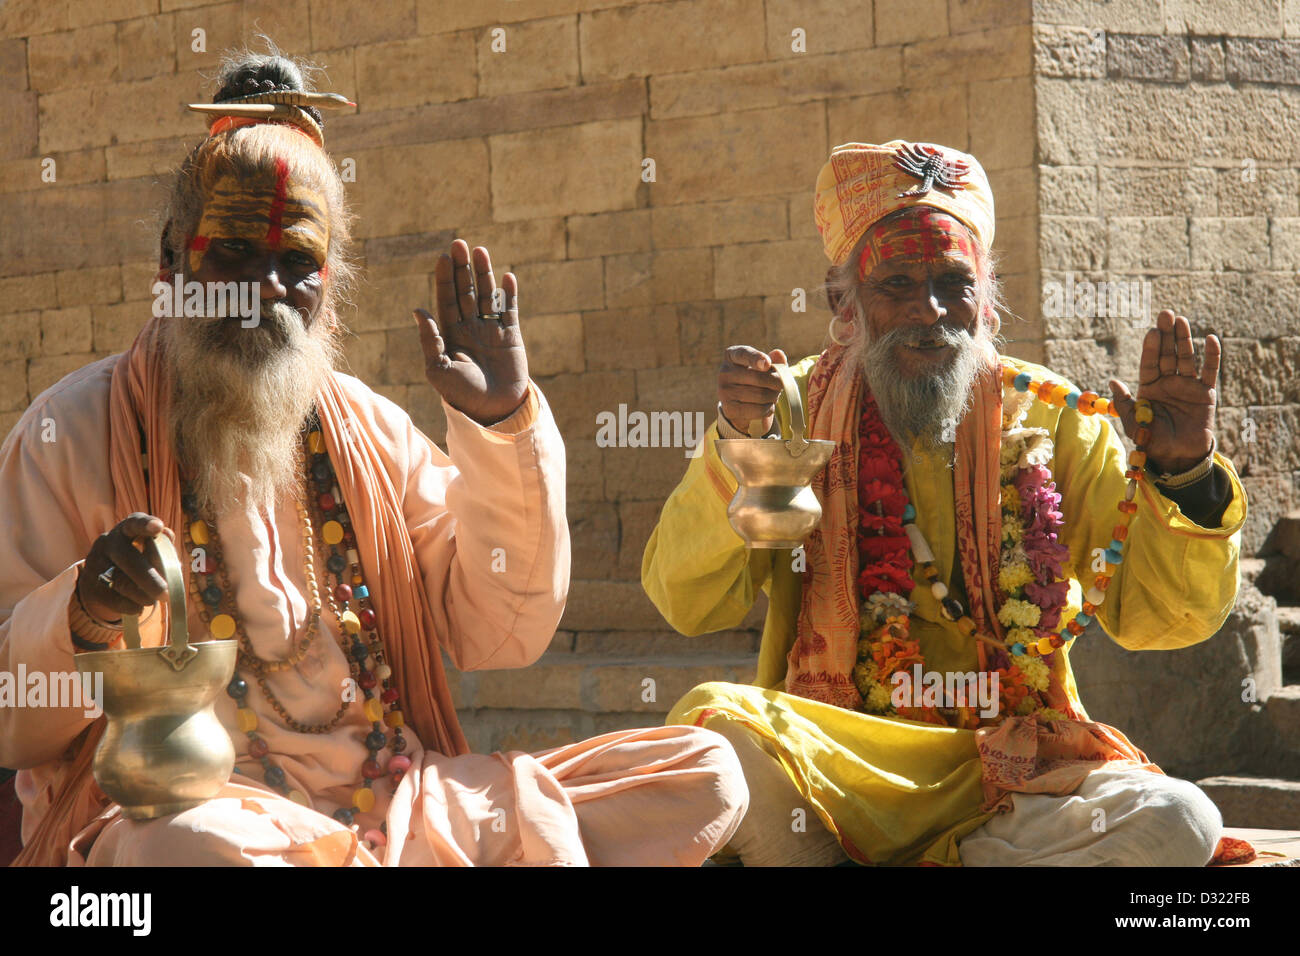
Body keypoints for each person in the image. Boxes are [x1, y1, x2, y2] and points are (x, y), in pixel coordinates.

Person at [0, 49, 746, 867]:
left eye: (297, 262)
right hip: (211, 814)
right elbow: (11, 714)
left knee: (704, 774)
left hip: (401, 802)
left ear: (330, 278)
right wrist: (85, 615)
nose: (269, 288)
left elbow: (502, 633)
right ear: (174, 262)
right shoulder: (72, 430)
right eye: (238, 254)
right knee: (185, 849)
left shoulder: (368, 430)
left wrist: (498, 425)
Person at [643, 140, 1247, 866]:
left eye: (953, 282)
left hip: (1021, 769)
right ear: (844, 301)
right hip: (841, 762)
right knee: (712, 735)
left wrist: (1184, 473)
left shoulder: (1055, 418)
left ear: (985, 295)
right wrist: (742, 445)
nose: (929, 310)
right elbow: (686, 601)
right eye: (896, 283)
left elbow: (1163, 620)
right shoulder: (788, 409)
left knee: (1179, 817)